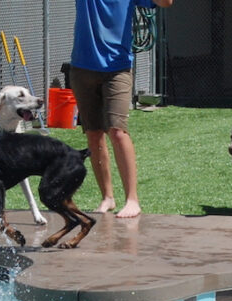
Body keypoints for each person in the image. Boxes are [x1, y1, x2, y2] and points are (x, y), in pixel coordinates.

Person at [70, 0, 173, 218]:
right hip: (82, 68)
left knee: (117, 131)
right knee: (93, 134)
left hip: (118, 69)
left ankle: (132, 200)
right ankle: (107, 197)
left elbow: (166, 2)